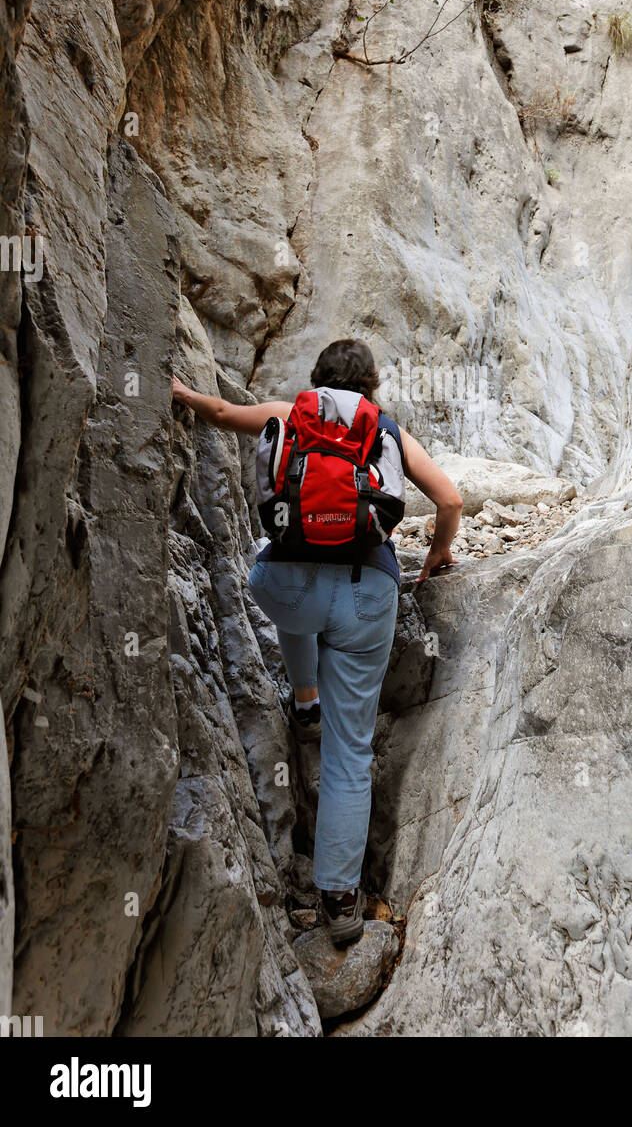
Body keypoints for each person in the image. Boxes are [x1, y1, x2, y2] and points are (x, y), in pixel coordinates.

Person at [171, 339, 462, 944]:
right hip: (365, 596)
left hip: (288, 590)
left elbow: (221, 414)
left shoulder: (290, 413)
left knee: (277, 568)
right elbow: (450, 499)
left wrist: (180, 392)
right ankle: (340, 901)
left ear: (318, 379)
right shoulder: (385, 429)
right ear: (372, 387)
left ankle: (305, 699)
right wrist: (437, 553)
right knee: (349, 754)